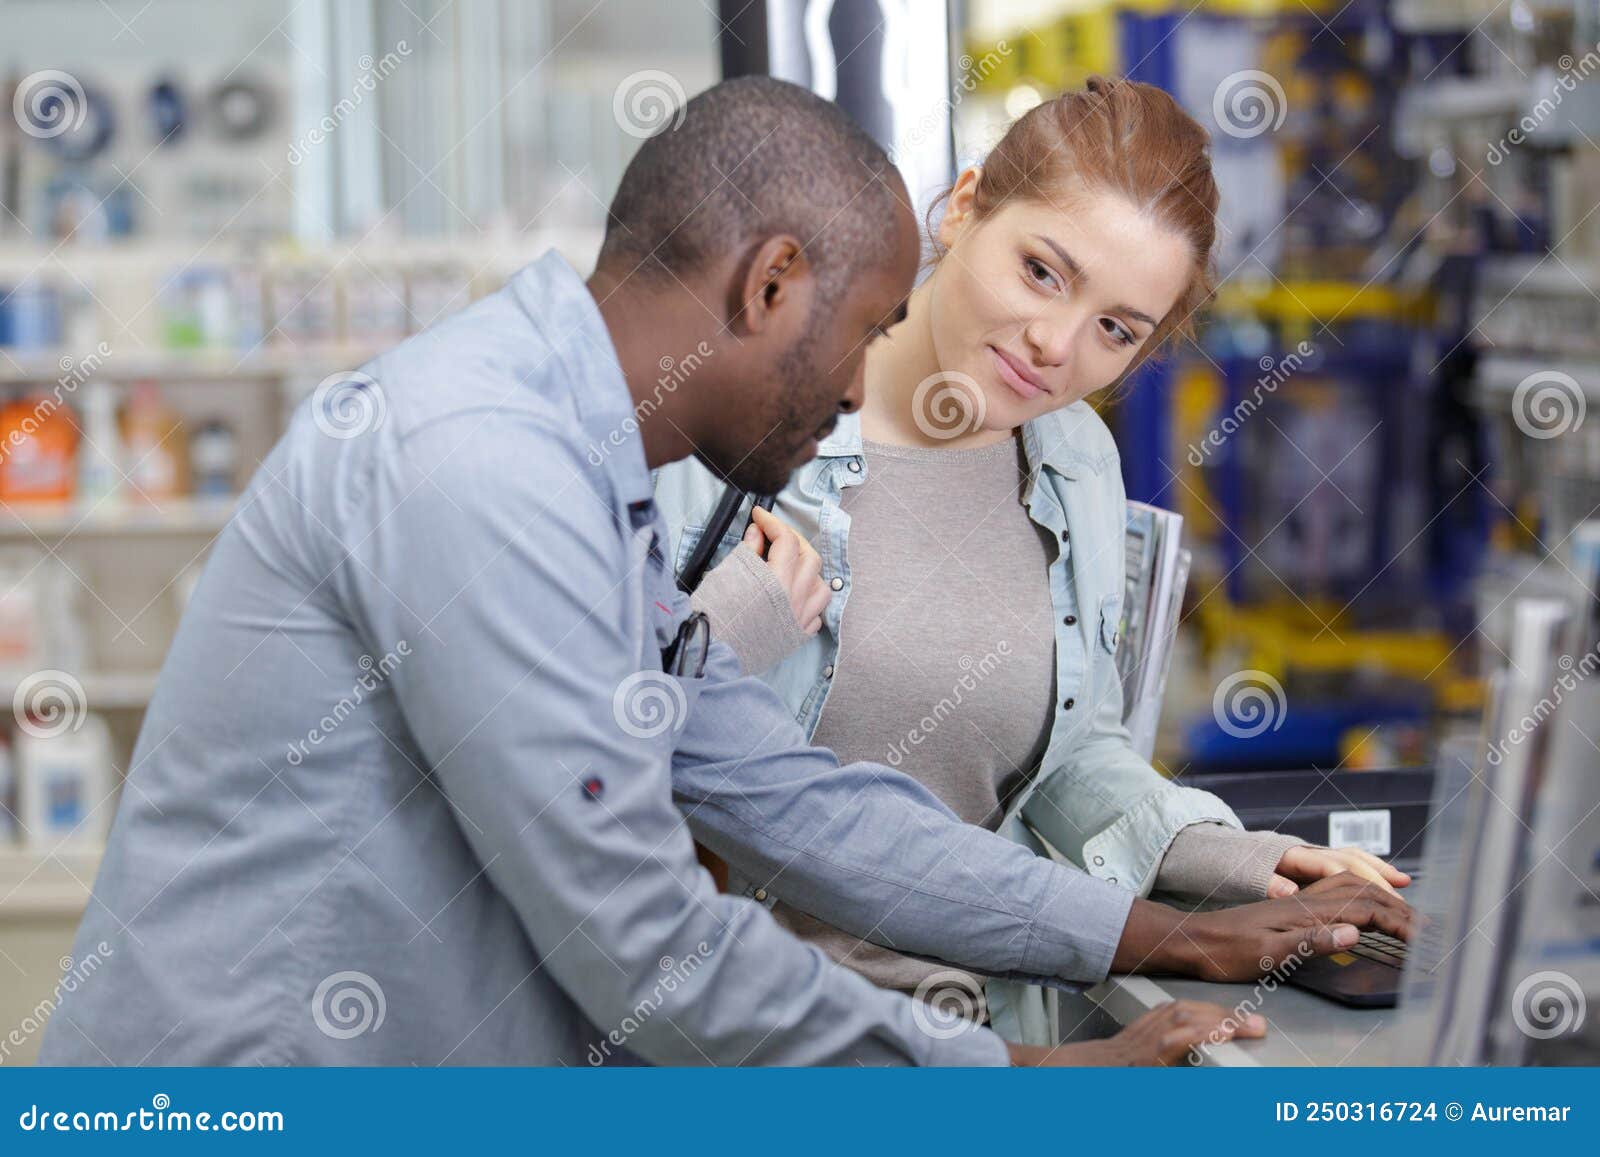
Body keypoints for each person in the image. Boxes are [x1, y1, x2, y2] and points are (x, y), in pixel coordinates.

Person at [41, 77, 1410, 1069]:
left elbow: (795, 799)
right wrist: (1019, 1077)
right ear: (770, 287)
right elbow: (644, 934)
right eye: (866, 329)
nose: (868, 387)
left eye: (1116, 325)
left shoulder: (584, 468)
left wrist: (1160, 933)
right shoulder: (482, 467)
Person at [653, 76, 1411, 1046]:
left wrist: (1225, 856)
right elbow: (620, 751)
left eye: (1116, 329)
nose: (1054, 345)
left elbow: (1070, 752)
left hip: (992, 1039)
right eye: (1042, 271)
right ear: (965, 206)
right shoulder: (726, 438)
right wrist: (720, 631)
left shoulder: (1073, 459)